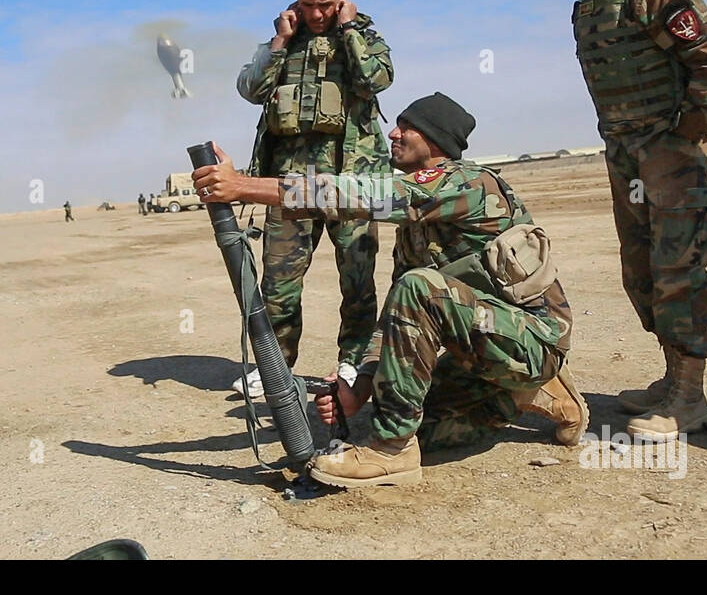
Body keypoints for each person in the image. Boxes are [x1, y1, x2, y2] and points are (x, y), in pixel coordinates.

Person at [194, 92, 587, 488]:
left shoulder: (468, 184)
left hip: (533, 342)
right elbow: (397, 319)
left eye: (406, 127)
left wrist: (242, 186)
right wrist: (358, 384)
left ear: (435, 140)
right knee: (425, 429)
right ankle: (533, 395)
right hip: (488, 344)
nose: (393, 133)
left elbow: (363, 196)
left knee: (421, 290)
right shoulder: (416, 225)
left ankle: (391, 451)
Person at [540, 0, 707, 441]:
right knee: (641, 270)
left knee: (680, 269)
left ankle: (690, 397)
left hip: (669, 153)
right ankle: (673, 378)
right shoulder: (589, 9)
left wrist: (685, 137)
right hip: (624, 156)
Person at [233, 0, 394, 398]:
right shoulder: (282, 42)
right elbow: (250, 88)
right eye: (308, 6)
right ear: (296, 2)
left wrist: (349, 30)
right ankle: (275, 368)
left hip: (352, 181)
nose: (317, 14)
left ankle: (353, 363)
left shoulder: (362, 36)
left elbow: (375, 79)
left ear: (340, 0)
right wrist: (281, 41)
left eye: (325, 6)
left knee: (357, 280)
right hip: (291, 183)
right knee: (278, 283)